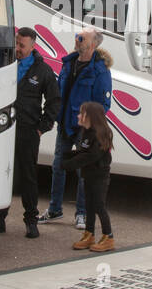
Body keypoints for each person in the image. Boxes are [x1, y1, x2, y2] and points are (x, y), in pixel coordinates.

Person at [0, 28, 60, 239]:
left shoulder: (42, 70)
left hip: (28, 131)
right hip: (3, 130)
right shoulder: (5, 66)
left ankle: (31, 222)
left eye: (22, 46)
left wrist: (42, 127)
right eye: (16, 44)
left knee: (28, 177)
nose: (17, 49)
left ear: (33, 46)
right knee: (2, 175)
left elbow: (54, 102)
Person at [42, 26, 113, 229]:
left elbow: (103, 105)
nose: (77, 40)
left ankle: (81, 213)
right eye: (76, 36)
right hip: (64, 125)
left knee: (84, 173)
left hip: (83, 129)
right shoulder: (69, 63)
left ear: (92, 44)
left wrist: (87, 123)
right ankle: (55, 209)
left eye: (81, 38)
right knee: (58, 166)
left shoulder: (100, 71)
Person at [64, 101, 115, 252]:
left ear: (90, 117)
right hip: (88, 175)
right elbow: (82, 152)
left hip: (100, 177)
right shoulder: (85, 132)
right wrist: (65, 156)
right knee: (89, 206)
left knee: (99, 205)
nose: (78, 115)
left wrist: (68, 164)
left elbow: (90, 156)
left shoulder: (100, 136)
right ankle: (89, 234)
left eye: (82, 113)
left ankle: (108, 236)